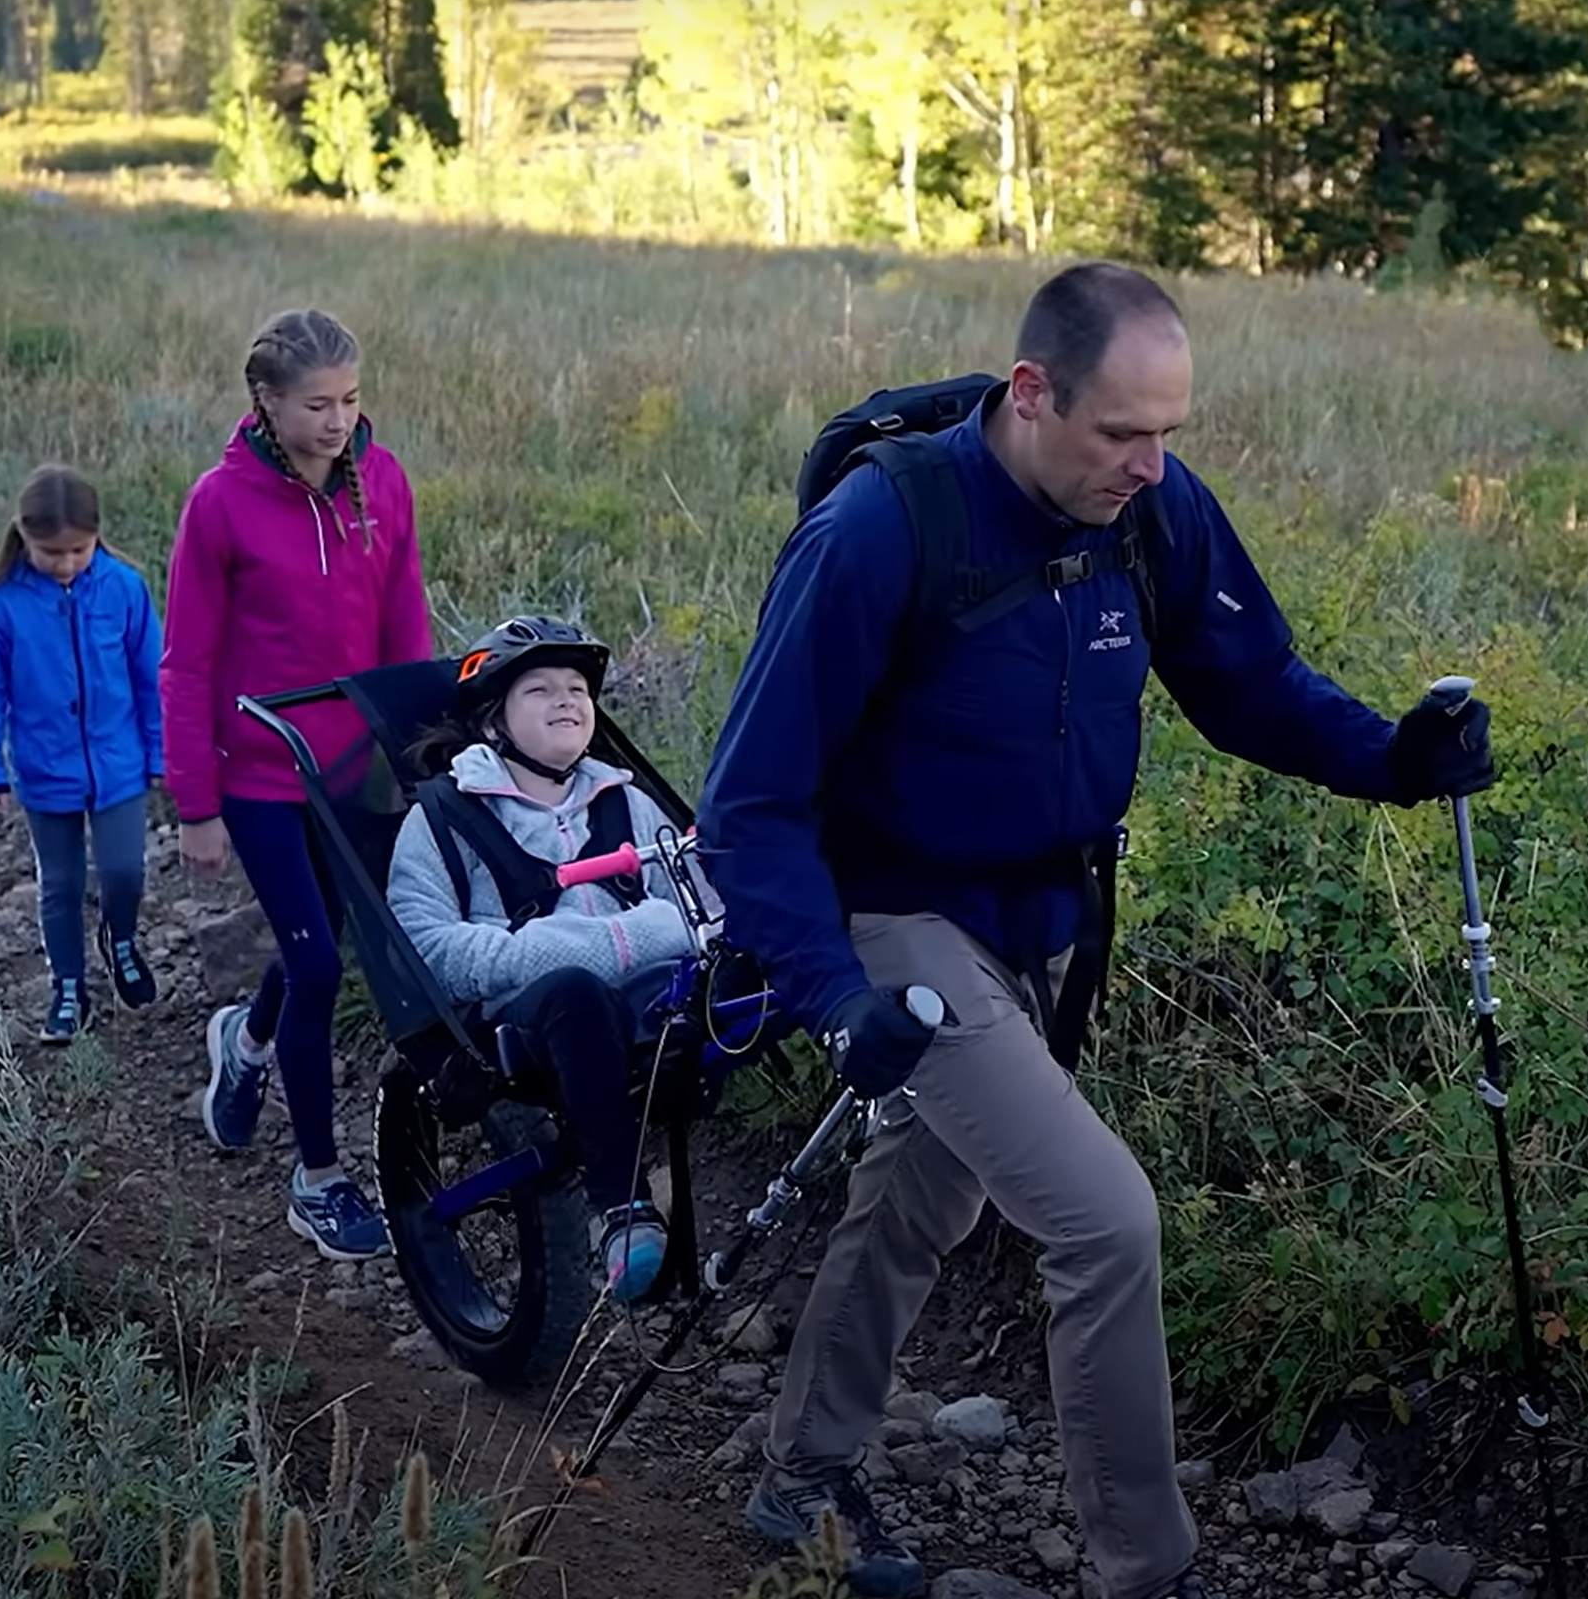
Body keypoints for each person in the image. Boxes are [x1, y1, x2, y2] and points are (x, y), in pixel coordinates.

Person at [694, 262, 1496, 1599]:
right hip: (903, 917)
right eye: (1121, 431)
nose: (1149, 461)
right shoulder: (881, 532)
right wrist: (837, 998)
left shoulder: (1150, 508)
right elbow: (750, 803)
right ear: (1029, 393)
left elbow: (1249, 686)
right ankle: (1145, 1569)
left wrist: (1395, 760)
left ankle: (799, 1480)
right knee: (1104, 1224)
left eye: (1168, 430)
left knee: (917, 1198)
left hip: (1046, 917)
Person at [160, 307, 432, 1263]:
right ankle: (317, 1182)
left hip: (352, 770)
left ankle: (245, 1039)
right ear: (265, 404)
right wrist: (195, 804)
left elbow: (406, 621)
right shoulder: (219, 506)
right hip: (260, 774)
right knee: (316, 963)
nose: (338, 420)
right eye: (316, 404)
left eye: (351, 400)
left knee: (326, 942)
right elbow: (187, 662)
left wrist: (420, 751)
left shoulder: (382, 483)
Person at [385, 616, 707, 1303]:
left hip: (647, 987)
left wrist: (630, 939)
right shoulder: (444, 814)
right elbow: (430, 945)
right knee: (575, 991)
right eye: (539, 689)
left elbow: (698, 902)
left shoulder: (627, 799)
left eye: (577, 689)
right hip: (528, 1002)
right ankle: (618, 1214)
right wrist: (577, 949)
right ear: (493, 722)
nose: (566, 700)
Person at [0, 464, 164, 1045]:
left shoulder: (124, 587)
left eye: (79, 549)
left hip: (119, 765)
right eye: (52, 552)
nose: (67, 563)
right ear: (23, 537)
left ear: (97, 535)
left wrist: (159, 752)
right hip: (45, 771)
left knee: (125, 869)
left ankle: (120, 937)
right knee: (61, 883)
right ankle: (68, 985)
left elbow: (152, 677)